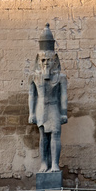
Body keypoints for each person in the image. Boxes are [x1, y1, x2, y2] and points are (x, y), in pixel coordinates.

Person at [28, 24, 69, 172]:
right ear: (39, 61)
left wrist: (64, 113)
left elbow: (63, 96)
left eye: (49, 60)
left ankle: (55, 164)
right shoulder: (34, 77)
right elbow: (32, 95)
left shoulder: (61, 77)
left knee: (56, 134)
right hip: (41, 107)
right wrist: (31, 113)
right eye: (43, 60)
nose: (46, 63)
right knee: (43, 137)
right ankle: (44, 164)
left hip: (54, 107)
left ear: (54, 61)